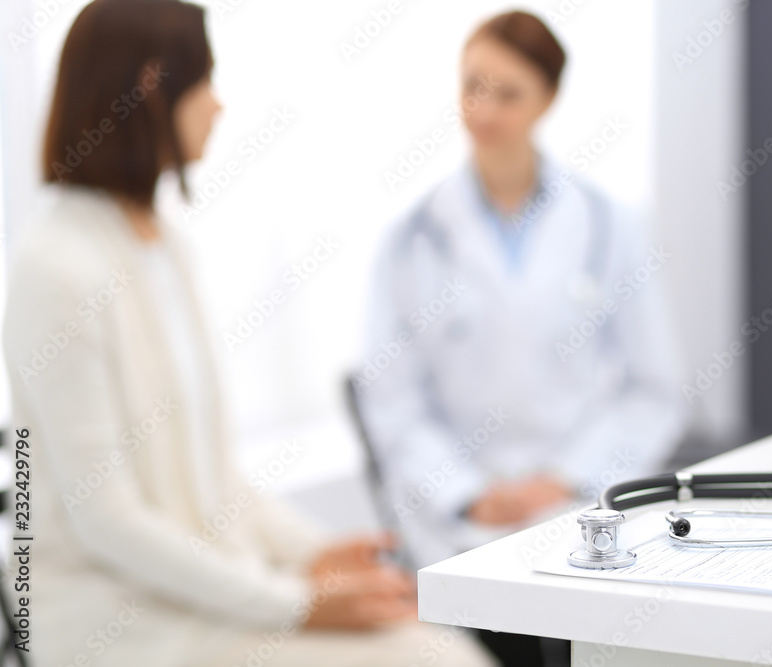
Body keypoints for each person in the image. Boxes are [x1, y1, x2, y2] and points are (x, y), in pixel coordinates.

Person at [2, 2, 495, 666]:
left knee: (436, 646)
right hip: (119, 623)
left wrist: (310, 554)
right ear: (151, 92)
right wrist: (294, 600)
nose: (218, 106)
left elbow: (214, 479)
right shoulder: (53, 267)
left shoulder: (163, 244)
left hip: (206, 596)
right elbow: (104, 517)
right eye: (204, 82)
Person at [358, 10, 686, 665]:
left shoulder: (609, 225)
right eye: (472, 85)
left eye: (508, 93)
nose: (483, 108)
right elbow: (391, 400)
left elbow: (657, 389)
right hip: (457, 516)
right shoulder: (410, 238)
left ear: (548, 100)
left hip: (577, 497)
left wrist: (565, 476)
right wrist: (467, 489)